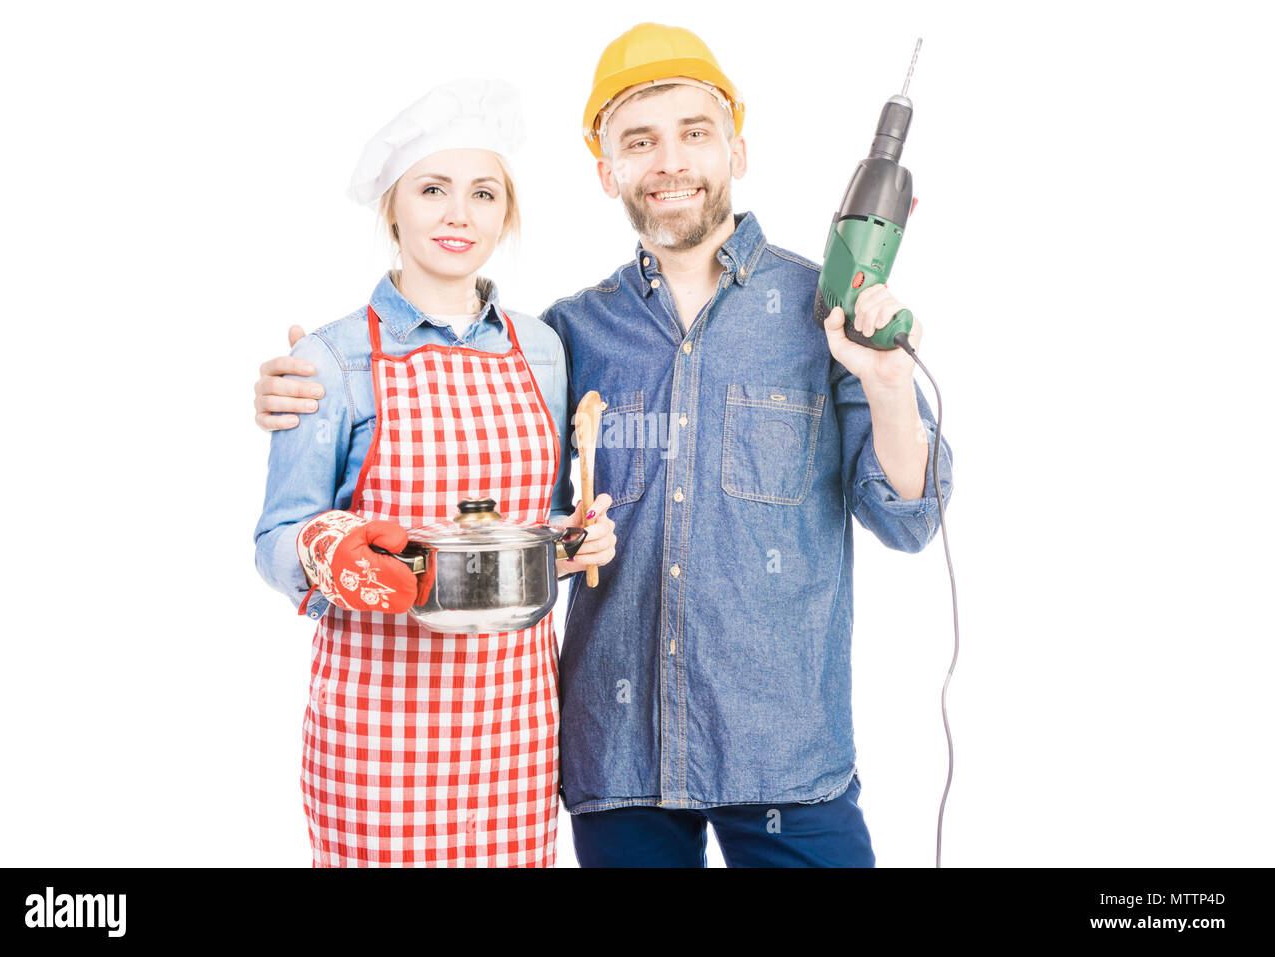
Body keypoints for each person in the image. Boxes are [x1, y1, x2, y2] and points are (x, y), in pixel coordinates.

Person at [255, 24, 952, 867]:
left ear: (737, 149)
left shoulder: (825, 310)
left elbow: (910, 520)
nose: (670, 161)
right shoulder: (568, 334)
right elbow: (527, 505)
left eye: (694, 133)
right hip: (614, 756)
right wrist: (309, 391)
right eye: (639, 141)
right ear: (607, 170)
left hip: (786, 755)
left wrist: (882, 379)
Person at [252, 78, 616, 868]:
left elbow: (542, 520)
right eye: (433, 189)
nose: (459, 214)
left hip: (515, 721)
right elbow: (276, 535)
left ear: (505, 214)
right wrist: (331, 554)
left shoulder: (542, 349)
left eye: (483, 193)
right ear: (393, 207)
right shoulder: (330, 358)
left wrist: (574, 540)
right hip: (378, 723)